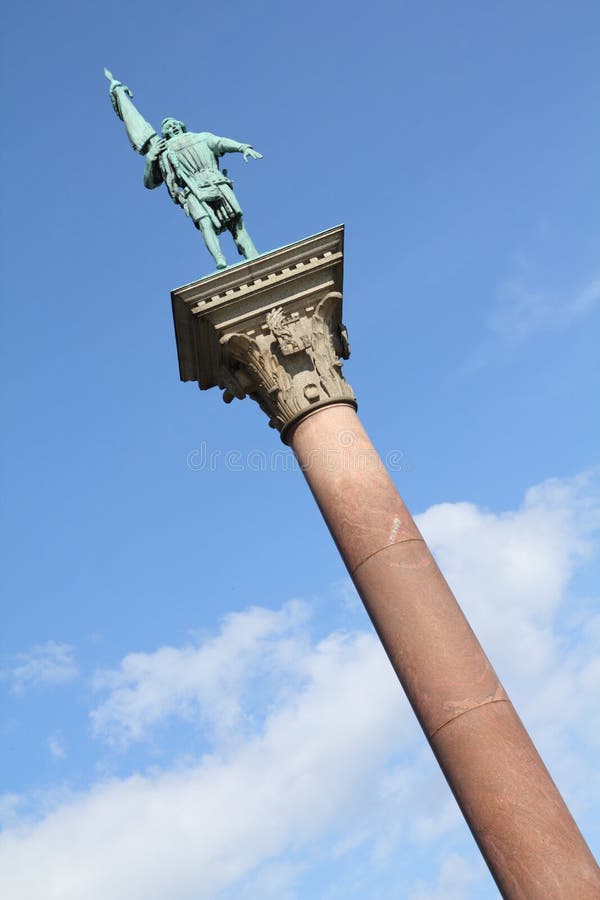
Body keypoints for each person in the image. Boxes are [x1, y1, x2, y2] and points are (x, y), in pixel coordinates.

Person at [143, 118, 262, 269]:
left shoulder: (201, 137)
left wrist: (242, 147)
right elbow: (150, 183)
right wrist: (150, 159)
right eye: (168, 127)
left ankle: (252, 255)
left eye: (175, 124)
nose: (173, 127)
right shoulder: (164, 152)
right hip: (192, 190)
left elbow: (220, 143)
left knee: (237, 224)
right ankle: (220, 259)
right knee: (205, 223)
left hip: (216, 181)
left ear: (181, 126)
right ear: (165, 133)